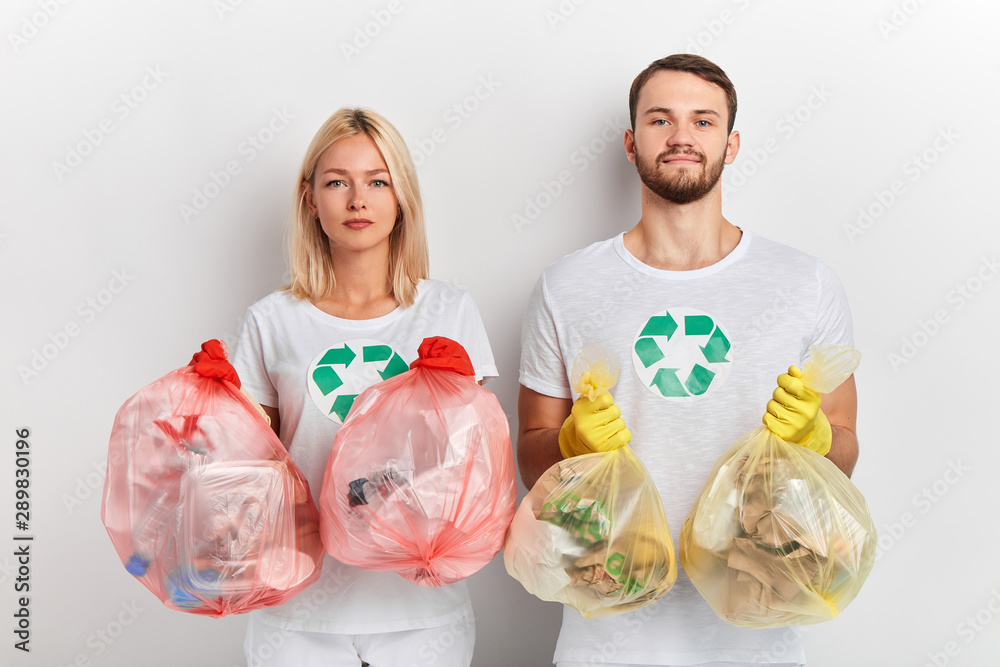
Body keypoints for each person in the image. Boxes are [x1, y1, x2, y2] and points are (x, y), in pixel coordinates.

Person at [516, 54, 857, 667]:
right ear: (630, 141)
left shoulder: (804, 283)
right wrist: (568, 444)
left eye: (703, 121)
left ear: (730, 144)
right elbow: (529, 456)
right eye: (659, 120)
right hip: (608, 625)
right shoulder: (568, 286)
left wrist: (817, 439)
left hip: (756, 626)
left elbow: (845, 459)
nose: (680, 137)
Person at [231, 107, 496, 667]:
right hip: (295, 612)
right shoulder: (271, 320)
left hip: (421, 611)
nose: (358, 200)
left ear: (401, 197)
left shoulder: (448, 310)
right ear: (310, 199)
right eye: (337, 182)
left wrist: (455, 399)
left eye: (378, 181)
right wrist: (209, 413)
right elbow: (251, 472)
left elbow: (476, 471)